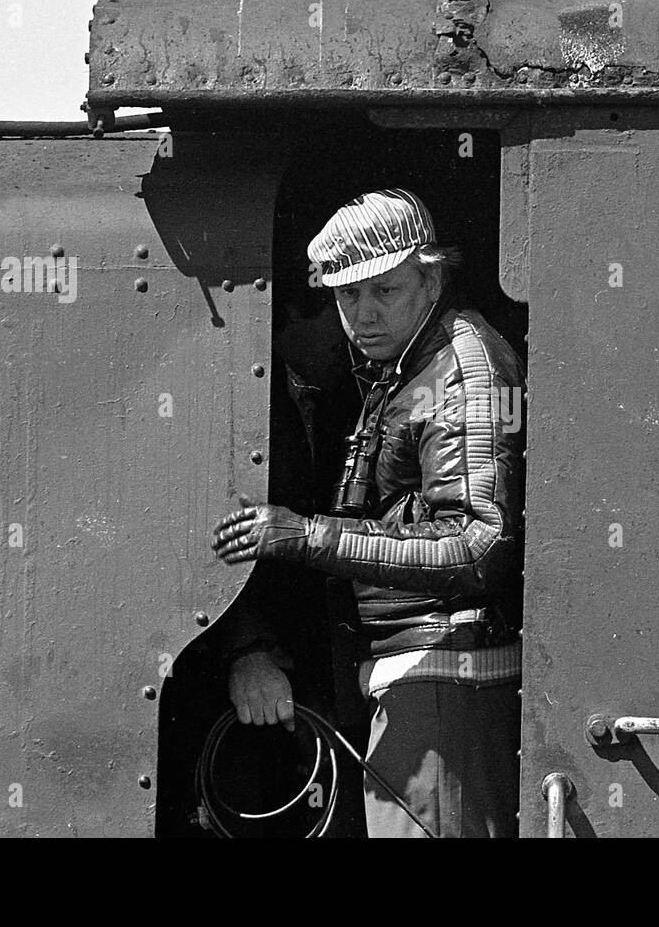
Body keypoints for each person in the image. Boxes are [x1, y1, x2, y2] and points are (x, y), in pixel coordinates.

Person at [212, 188, 525, 837]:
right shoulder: (406, 361)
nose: (364, 314)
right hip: (417, 678)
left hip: (447, 679)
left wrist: (305, 535)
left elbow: (478, 544)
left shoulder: (459, 366)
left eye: (385, 289)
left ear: (432, 273)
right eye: (347, 295)